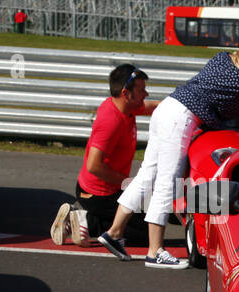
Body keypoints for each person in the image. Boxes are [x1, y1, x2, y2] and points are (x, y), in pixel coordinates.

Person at [97, 32, 239, 268]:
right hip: (181, 118)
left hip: (167, 108)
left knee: (146, 174)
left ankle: (114, 231)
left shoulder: (223, 58)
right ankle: (155, 251)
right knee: (166, 181)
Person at [52, 64, 160, 246]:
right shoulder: (111, 121)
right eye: (141, 90)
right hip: (97, 195)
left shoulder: (127, 107)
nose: (146, 94)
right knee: (143, 232)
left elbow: (154, 107)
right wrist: (127, 182)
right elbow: (93, 166)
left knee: (149, 215)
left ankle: (83, 222)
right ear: (126, 93)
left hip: (109, 189)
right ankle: (85, 220)